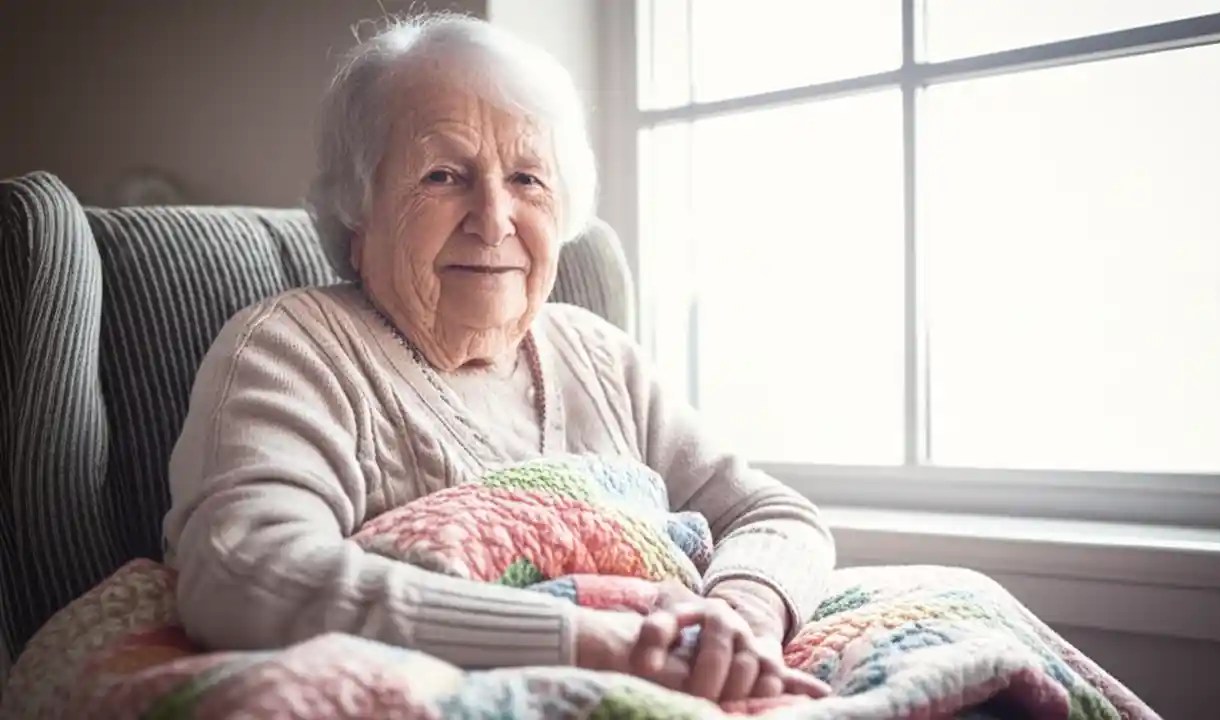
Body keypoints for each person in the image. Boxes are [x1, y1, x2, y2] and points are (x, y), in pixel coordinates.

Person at [163, 13, 834, 704]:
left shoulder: (599, 356)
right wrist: (589, 641)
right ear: (358, 213)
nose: (493, 217)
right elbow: (244, 571)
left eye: (527, 179)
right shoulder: (292, 349)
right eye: (444, 175)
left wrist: (738, 616)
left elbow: (773, 516)